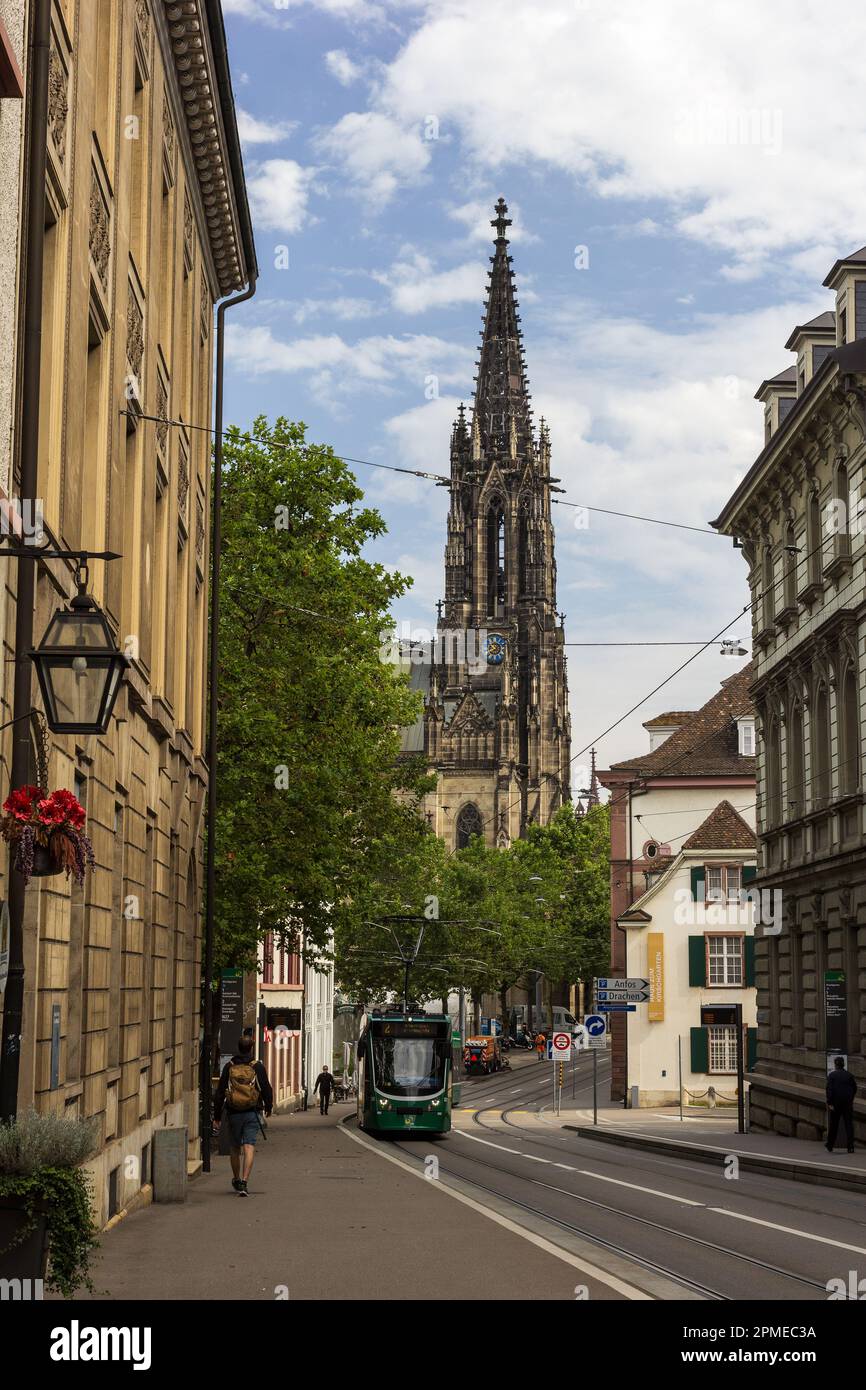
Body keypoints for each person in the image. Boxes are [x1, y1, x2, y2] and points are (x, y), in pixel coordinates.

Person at [213, 1035, 273, 1195]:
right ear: (251, 1048)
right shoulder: (257, 1066)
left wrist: (217, 1116)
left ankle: (236, 1179)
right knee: (249, 1146)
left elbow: (220, 1092)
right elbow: (266, 1088)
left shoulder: (229, 1066)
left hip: (233, 1112)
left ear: (238, 1048)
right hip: (252, 1111)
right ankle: (245, 1181)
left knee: (234, 1148)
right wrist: (269, 1106)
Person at [826, 1056, 857, 1154]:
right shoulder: (849, 1075)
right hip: (847, 1103)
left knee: (834, 1125)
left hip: (836, 1104)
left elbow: (829, 1090)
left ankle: (830, 1145)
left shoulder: (832, 1075)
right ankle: (850, 1147)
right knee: (849, 1125)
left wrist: (830, 1103)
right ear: (843, 1064)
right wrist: (850, 1099)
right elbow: (854, 1088)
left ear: (835, 1065)